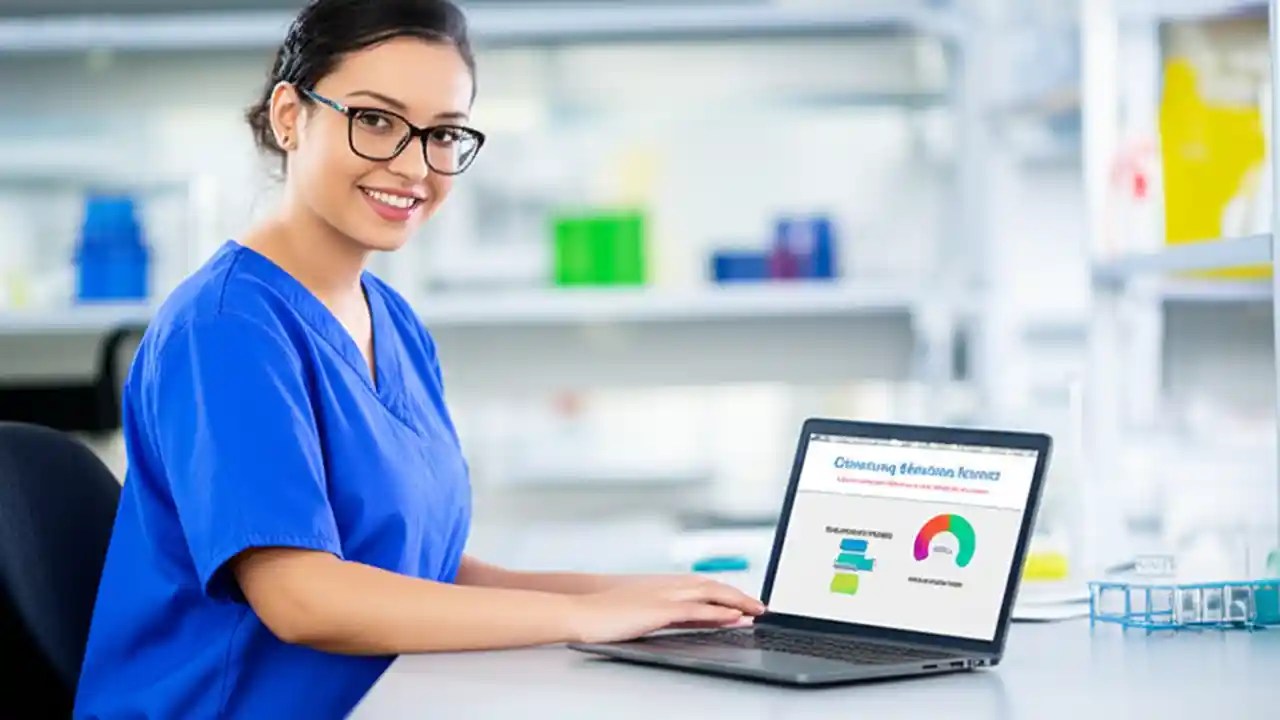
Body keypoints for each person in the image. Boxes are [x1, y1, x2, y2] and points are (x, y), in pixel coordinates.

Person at [73, 1, 764, 717]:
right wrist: (583, 619)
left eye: (443, 133)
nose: (414, 165)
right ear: (289, 114)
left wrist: (628, 597)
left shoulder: (390, 319)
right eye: (375, 120)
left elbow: (418, 571)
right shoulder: (224, 330)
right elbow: (302, 599)